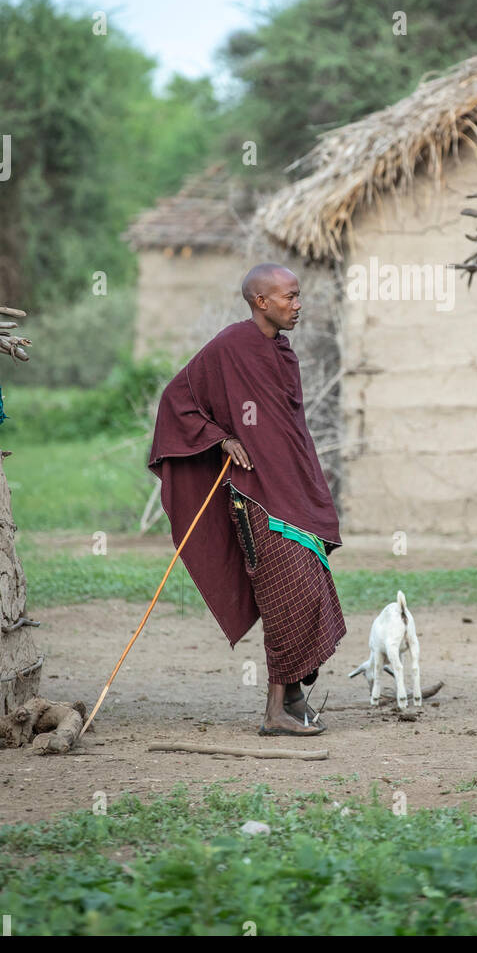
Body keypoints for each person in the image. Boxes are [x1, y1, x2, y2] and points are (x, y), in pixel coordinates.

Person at [148, 263, 345, 736]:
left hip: (291, 488)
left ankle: (294, 698)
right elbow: (178, 399)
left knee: (309, 588)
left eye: (298, 296)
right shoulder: (230, 346)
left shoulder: (280, 349)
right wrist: (220, 438)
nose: (298, 305)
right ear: (261, 301)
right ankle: (275, 712)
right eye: (289, 297)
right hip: (255, 497)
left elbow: (286, 430)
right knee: (283, 596)